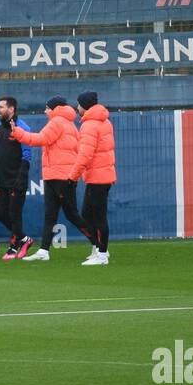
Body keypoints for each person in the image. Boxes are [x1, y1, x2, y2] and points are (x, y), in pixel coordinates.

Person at [10, 95, 96, 262]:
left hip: (61, 177)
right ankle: (43, 251)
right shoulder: (68, 123)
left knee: (71, 214)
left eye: (47, 108)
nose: (45, 110)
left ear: (55, 109)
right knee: (50, 215)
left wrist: (17, 132)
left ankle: (99, 245)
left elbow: (39, 139)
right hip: (55, 176)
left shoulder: (57, 122)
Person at [0, 95, 35, 260]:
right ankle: (24, 239)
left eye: (1, 107)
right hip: (2, 181)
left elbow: (27, 155)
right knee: (1, 214)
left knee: (14, 214)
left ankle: (13, 248)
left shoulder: (22, 128)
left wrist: (21, 178)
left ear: (11, 109)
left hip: (17, 181)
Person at [67, 91, 116, 266]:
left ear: (85, 105)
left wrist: (72, 176)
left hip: (98, 177)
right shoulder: (105, 121)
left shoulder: (89, 125)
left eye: (79, 104)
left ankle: (102, 254)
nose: (77, 107)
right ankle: (99, 249)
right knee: (87, 215)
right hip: (100, 175)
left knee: (98, 216)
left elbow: (85, 155)